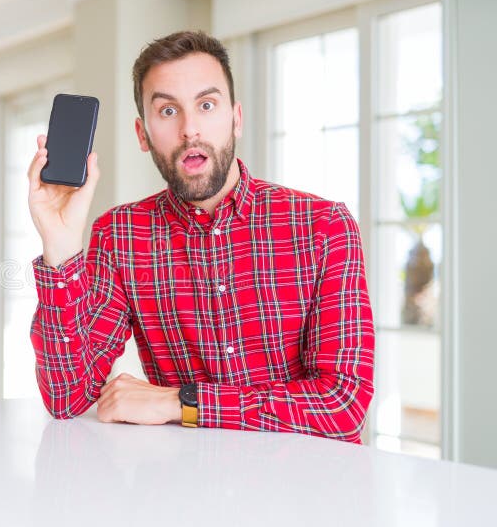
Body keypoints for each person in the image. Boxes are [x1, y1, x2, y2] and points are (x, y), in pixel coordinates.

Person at [26, 30, 374, 443]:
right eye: (168, 111)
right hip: (184, 493)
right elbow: (66, 398)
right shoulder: (120, 236)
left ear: (235, 118)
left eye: (206, 105)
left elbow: (343, 405)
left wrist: (182, 402)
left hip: (304, 495)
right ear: (143, 134)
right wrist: (60, 247)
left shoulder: (323, 226)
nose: (190, 129)